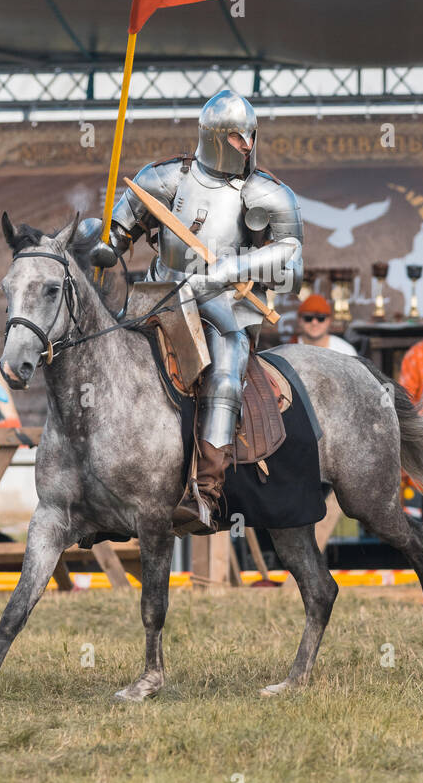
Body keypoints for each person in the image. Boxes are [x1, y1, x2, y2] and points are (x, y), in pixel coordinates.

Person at [80, 89, 304, 531]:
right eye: (240, 138)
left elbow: (292, 265)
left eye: (251, 137)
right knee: (104, 360)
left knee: (226, 369)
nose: (248, 146)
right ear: (216, 137)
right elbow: (118, 234)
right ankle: (92, 478)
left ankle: (205, 490)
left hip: (226, 306)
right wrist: (103, 246)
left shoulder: (266, 193)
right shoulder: (164, 178)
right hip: (159, 297)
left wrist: (230, 269)